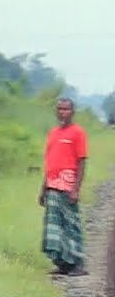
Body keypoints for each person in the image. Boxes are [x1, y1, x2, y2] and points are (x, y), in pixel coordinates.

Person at [41, 97, 89, 276]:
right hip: (52, 184)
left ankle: (78, 264)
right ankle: (63, 263)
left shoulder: (78, 133)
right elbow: (50, 162)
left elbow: (82, 161)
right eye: (60, 109)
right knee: (55, 226)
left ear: (73, 112)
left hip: (68, 185)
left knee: (71, 224)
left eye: (66, 109)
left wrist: (76, 188)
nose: (62, 112)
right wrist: (43, 188)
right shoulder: (53, 133)